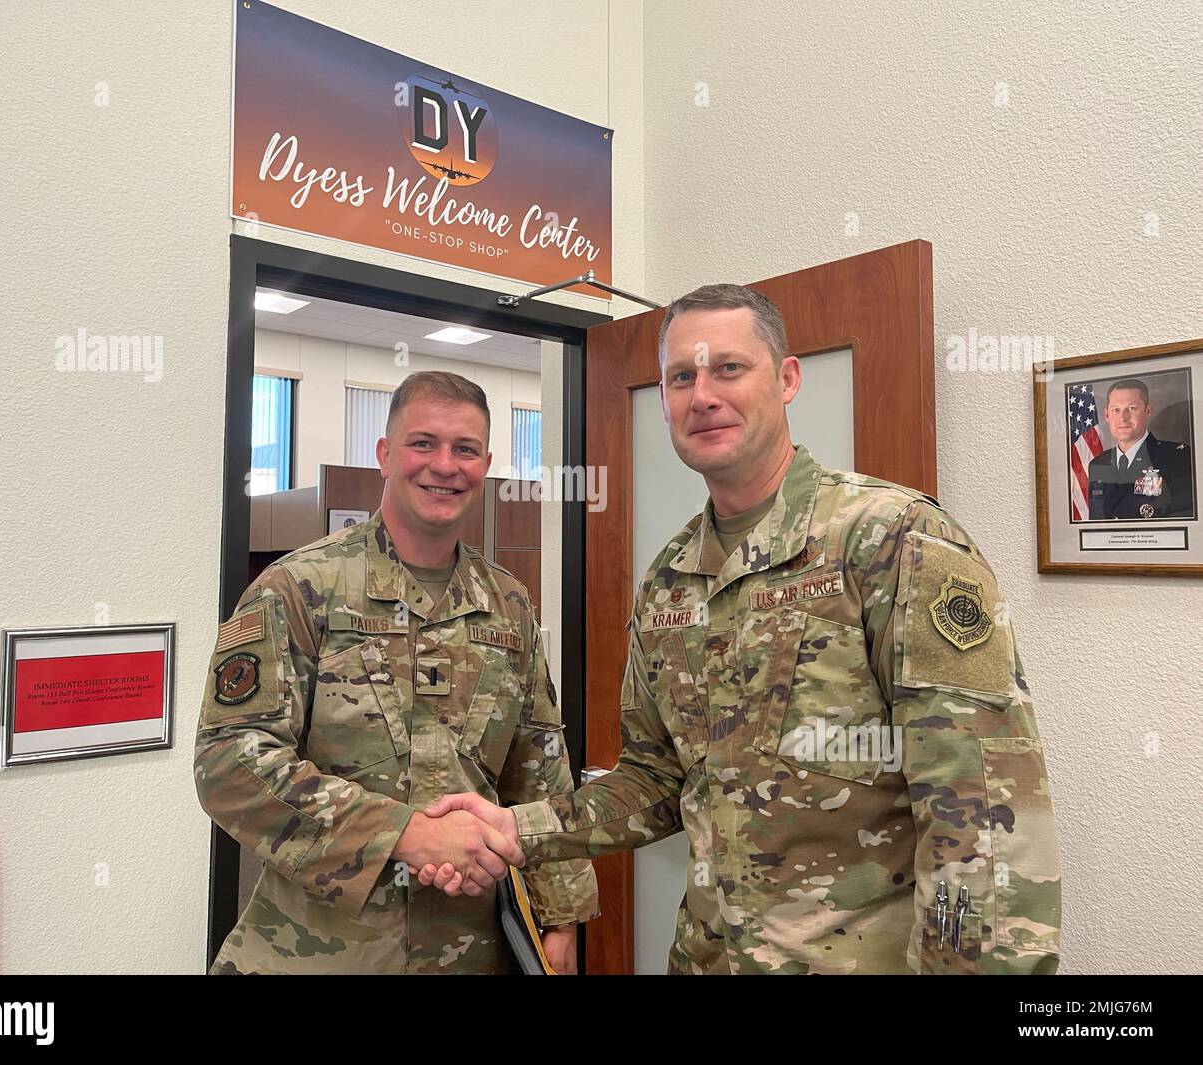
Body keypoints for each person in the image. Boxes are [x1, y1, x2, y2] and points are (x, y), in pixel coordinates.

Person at [419, 285, 1062, 975]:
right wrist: (517, 827)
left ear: (785, 379)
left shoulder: (892, 541)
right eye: (681, 377)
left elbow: (981, 811)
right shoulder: (670, 578)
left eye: (729, 368)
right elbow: (656, 778)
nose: (703, 396)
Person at [195, 370, 597, 974]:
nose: (444, 464)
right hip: (325, 949)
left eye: (465, 449)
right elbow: (229, 762)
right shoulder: (302, 589)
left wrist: (560, 917)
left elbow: (539, 771)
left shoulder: (508, 604)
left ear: (485, 463)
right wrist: (401, 832)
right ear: (385, 455)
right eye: (423, 443)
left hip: (475, 951)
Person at [1088, 378, 1194, 519]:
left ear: (1147, 410)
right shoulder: (1098, 464)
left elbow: (1185, 522)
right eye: (1116, 410)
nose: (1123, 418)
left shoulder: (1176, 458)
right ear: (1106, 415)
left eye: (1132, 408)